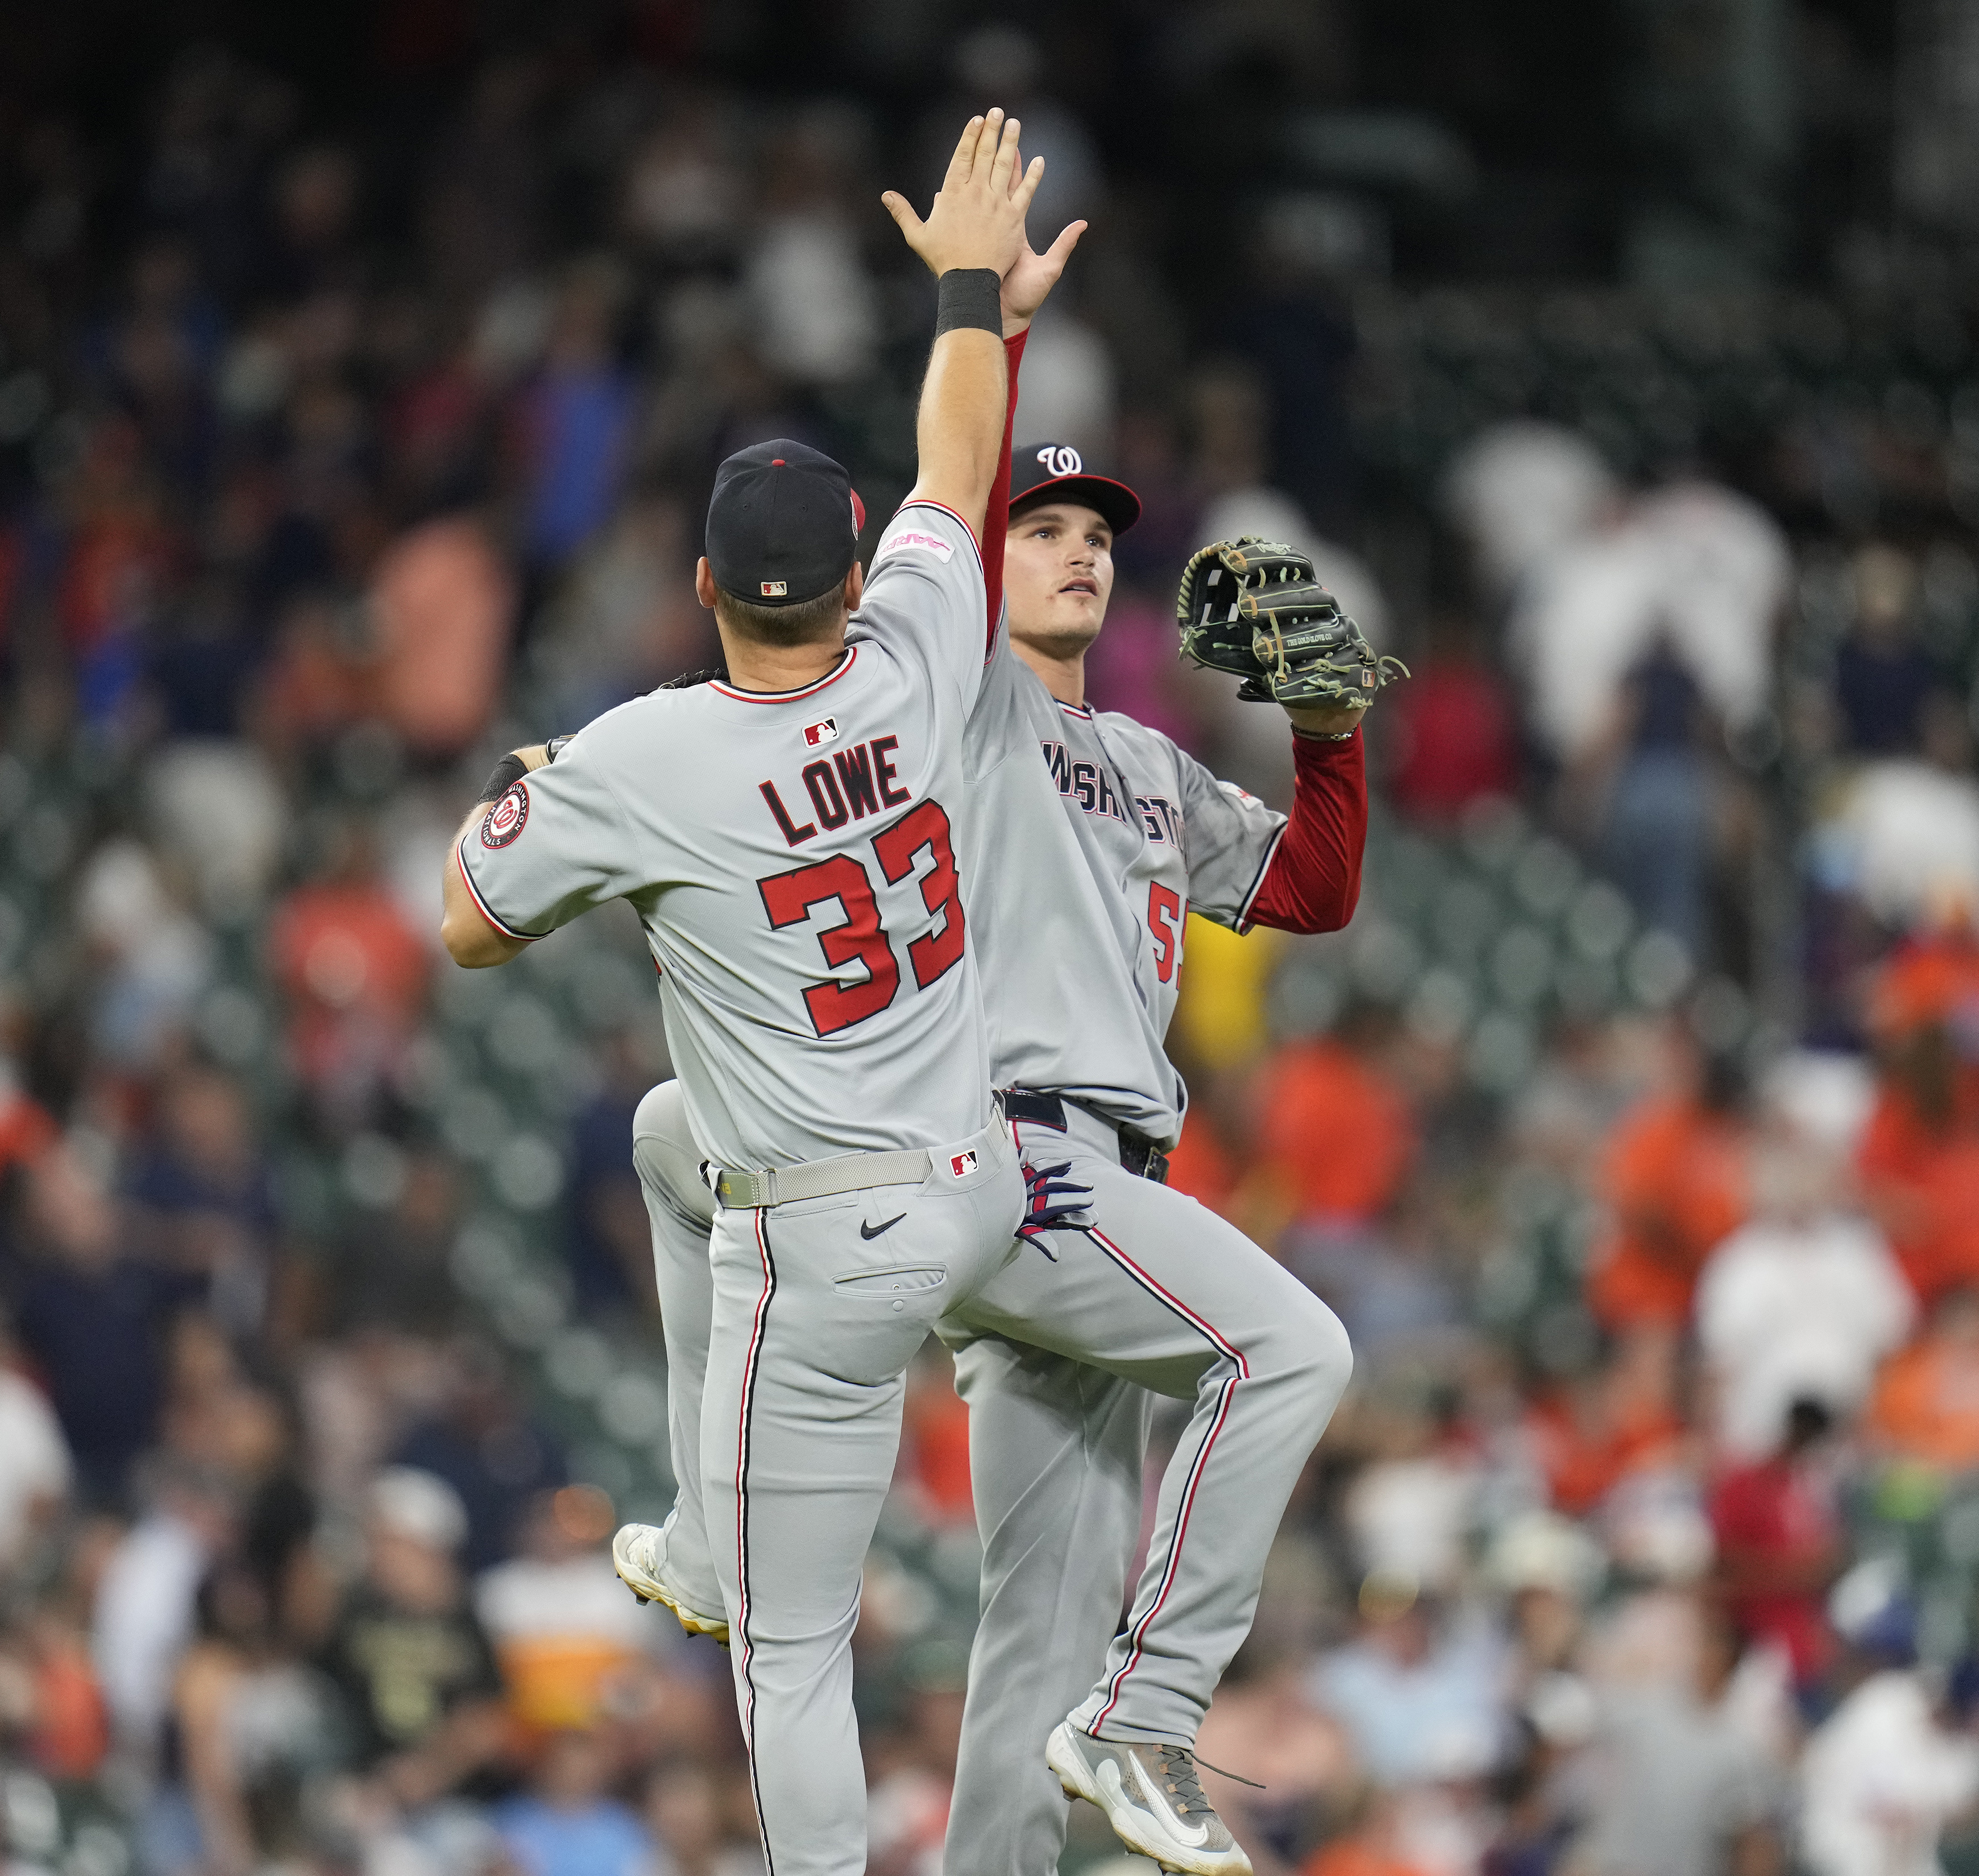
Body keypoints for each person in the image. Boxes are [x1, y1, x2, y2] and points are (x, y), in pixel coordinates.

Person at [614, 146, 1374, 1876]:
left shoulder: (1145, 761)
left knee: (1035, 1641)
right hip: (1014, 1166)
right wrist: (997, 338)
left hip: (1092, 1198)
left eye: (1096, 529)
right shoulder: (949, 715)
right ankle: (1153, 1707)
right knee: (1295, 1346)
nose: (1075, 551)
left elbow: (1310, 890)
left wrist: (1330, 732)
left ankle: (1036, 1781)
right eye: (1041, 527)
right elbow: (943, 508)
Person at [441, 111, 1049, 1876]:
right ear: (854, 578)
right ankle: (703, 1538)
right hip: (976, 1174)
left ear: (702, 585)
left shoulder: (646, 757)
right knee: (661, 1130)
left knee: (798, 1662)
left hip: (837, 1245)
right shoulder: (924, 645)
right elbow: (953, 458)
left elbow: (471, 923)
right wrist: (965, 287)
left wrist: (544, 787)